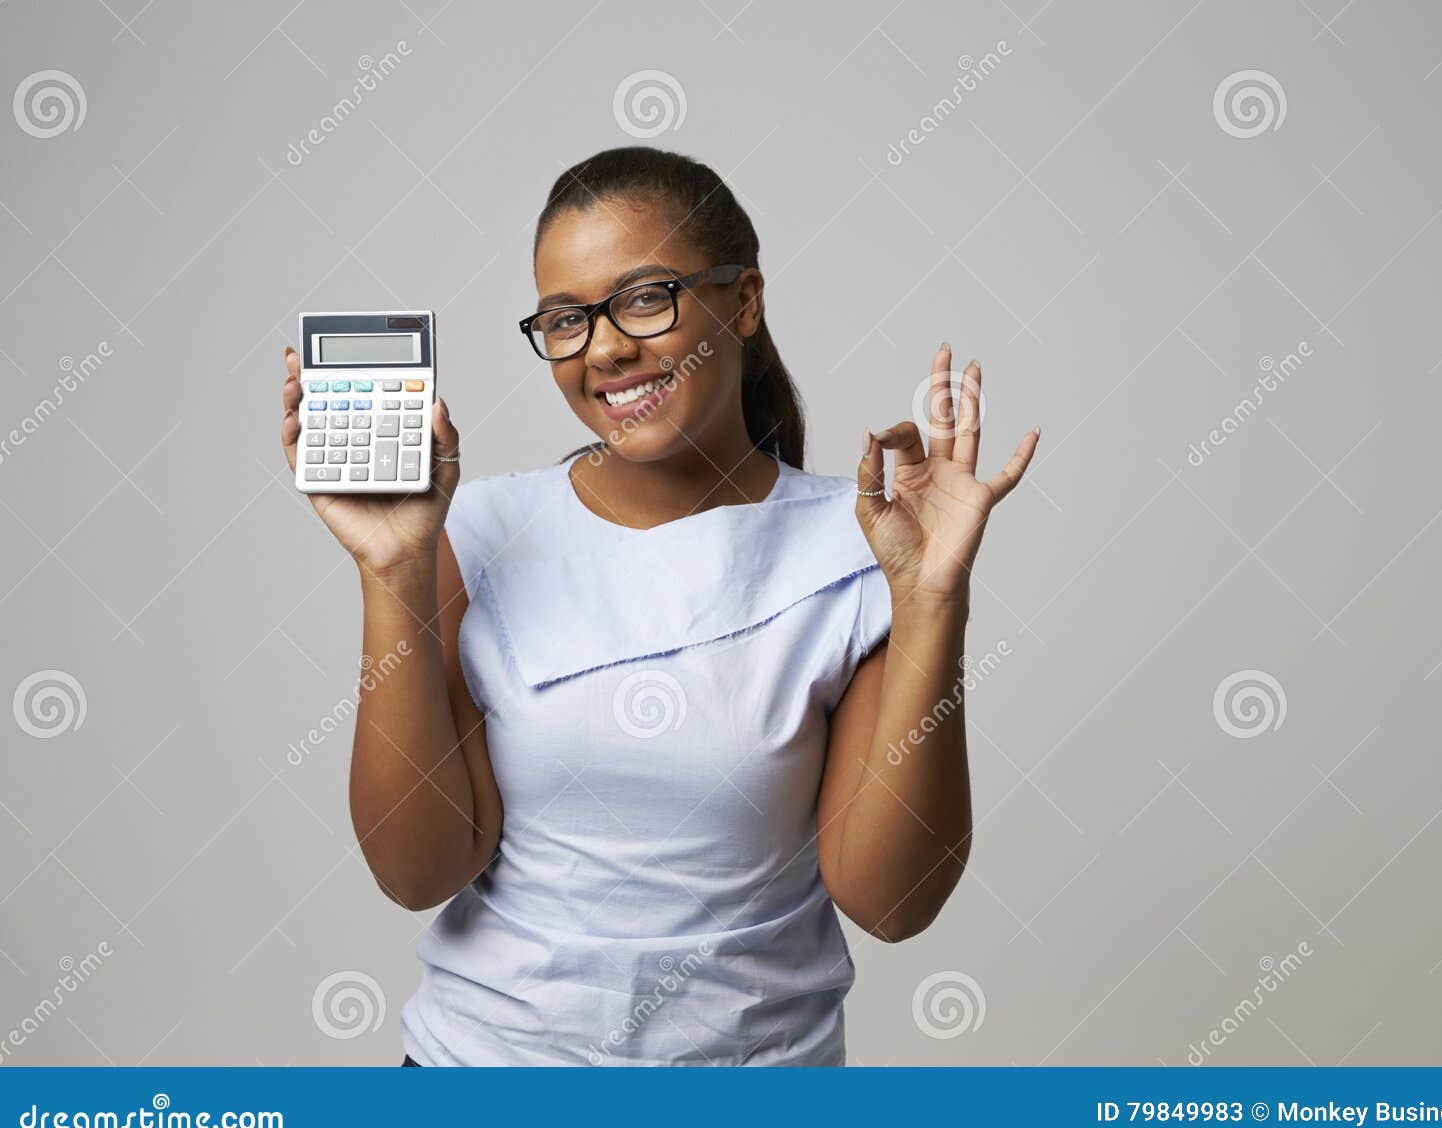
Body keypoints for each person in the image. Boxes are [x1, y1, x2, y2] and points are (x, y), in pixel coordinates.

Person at [277, 145, 1039, 1065]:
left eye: (644, 297)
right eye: (566, 318)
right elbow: (416, 871)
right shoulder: (477, 528)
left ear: (744, 300)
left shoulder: (863, 542)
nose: (604, 348)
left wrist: (931, 600)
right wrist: (393, 572)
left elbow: (892, 901)